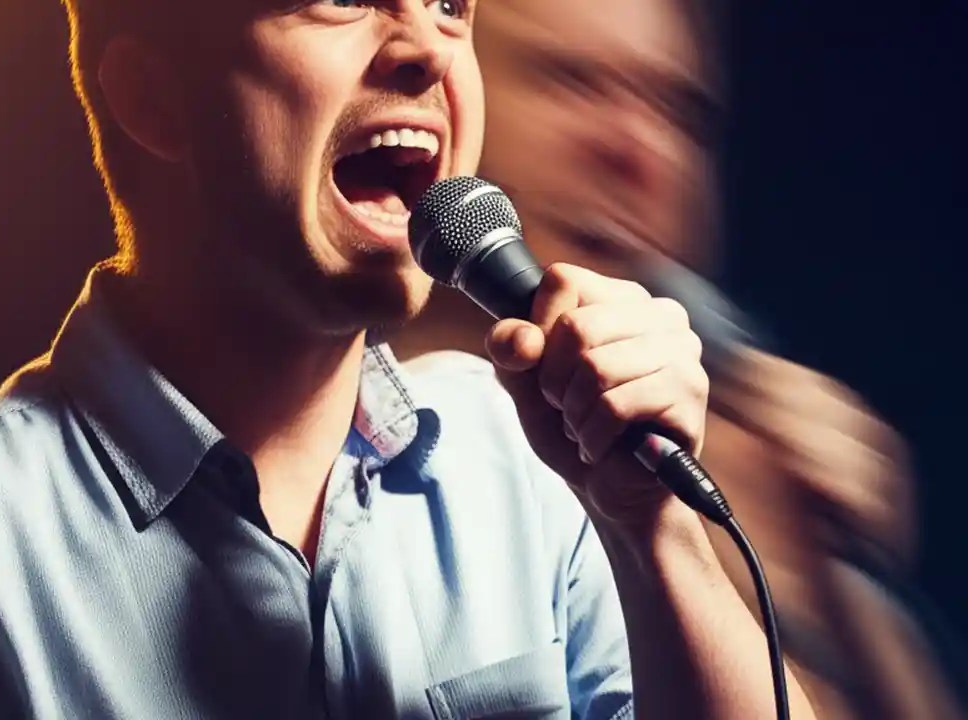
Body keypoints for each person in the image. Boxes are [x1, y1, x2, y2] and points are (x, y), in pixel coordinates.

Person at [0, 1, 818, 717]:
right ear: (150, 97)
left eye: (450, 7)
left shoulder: (532, 470)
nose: (423, 49)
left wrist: (652, 526)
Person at [392, 0, 962, 717]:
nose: (639, 153)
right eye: (572, 81)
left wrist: (836, 602)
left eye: (675, 110)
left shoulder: (713, 475)